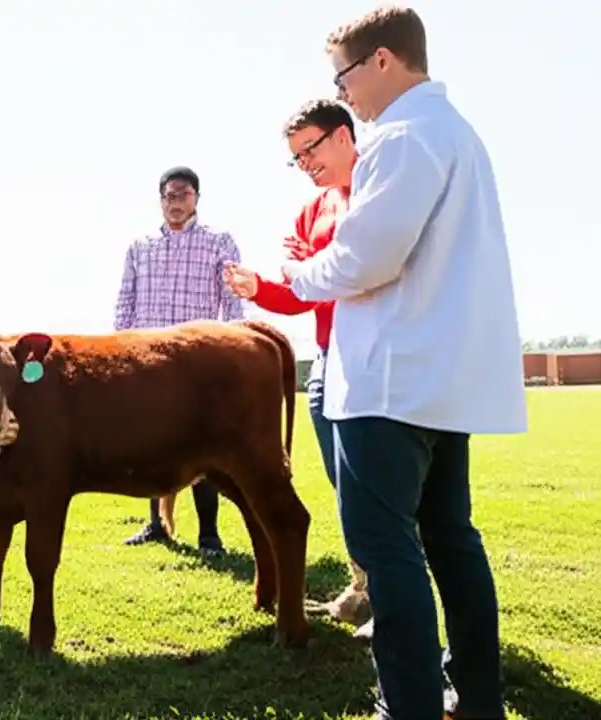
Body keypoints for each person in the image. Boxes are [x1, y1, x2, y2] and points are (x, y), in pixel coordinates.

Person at [283, 6, 526, 718]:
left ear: (382, 61)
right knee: (452, 540)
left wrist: (297, 276)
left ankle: (409, 704)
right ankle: (476, 696)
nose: (345, 93)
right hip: (443, 381)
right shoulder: (459, 134)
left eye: (345, 76)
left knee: (387, 551)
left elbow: (368, 258)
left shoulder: (400, 138)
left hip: (389, 384)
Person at [222, 98, 374, 640]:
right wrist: (260, 288)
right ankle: (366, 585)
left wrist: (303, 269)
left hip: (377, 356)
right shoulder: (313, 211)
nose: (305, 164)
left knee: (379, 485)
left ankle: (396, 601)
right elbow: (304, 289)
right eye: (296, 158)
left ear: (342, 135)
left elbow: (322, 271)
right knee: (346, 483)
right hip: (329, 357)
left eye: (309, 149)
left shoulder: (380, 189)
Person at [114, 165, 244, 554]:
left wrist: (235, 351)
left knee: (203, 446)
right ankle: (156, 524)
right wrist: (119, 351)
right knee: (151, 444)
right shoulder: (140, 247)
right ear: (160, 200)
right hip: (148, 361)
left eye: (183, 194)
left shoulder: (218, 242)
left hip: (196, 362)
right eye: (169, 195)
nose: (175, 202)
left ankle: (209, 534)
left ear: (196, 199)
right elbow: (125, 301)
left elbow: (233, 300)